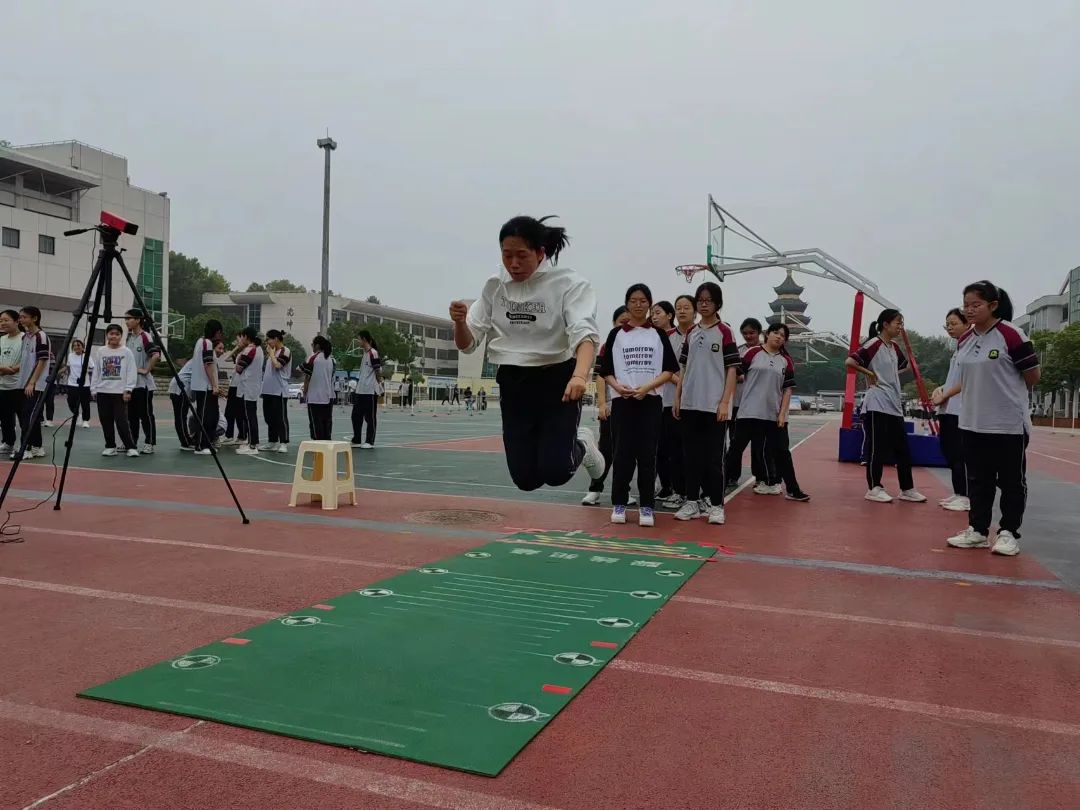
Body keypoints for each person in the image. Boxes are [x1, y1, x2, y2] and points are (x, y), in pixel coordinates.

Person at [450, 214, 604, 491]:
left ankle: (584, 444)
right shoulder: (495, 285)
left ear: (541, 252)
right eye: (507, 255)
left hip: (559, 380)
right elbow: (468, 343)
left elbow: (585, 335)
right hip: (514, 382)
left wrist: (580, 376)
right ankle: (563, 449)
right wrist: (460, 323)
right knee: (526, 479)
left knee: (556, 471)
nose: (514, 264)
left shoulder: (568, 284)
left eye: (522, 255)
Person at [939, 282, 1039, 556]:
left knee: (1011, 481)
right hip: (972, 422)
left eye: (976, 305)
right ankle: (978, 531)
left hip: (1007, 424)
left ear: (993, 306)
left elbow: (1033, 376)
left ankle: (1008, 533)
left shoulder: (1011, 335)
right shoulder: (964, 339)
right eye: (966, 305)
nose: (969, 311)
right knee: (978, 481)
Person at [599, 284, 678, 526]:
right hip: (623, 402)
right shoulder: (616, 335)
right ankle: (619, 503)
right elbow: (605, 371)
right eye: (633, 300)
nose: (638, 304)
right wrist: (617, 387)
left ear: (649, 304)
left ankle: (646, 506)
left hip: (650, 401)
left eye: (643, 301)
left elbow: (669, 369)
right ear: (627, 303)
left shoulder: (658, 335)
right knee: (622, 453)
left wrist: (646, 388)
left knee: (647, 455)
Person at [673, 282, 741, 524]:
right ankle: (692, 502)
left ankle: (716, 505)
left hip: (714, 406)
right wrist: (679, 397)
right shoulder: (691, 333)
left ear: (717, 303)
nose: (703, 303)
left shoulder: (725, 332)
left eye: (708, 300)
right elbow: (683, 368)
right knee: (690, 456)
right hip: (690, 404)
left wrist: (725, 402)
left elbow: (732, 370)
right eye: (700, 299)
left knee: (713, 459)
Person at [846, 309, 927, 503]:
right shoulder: (874, 344)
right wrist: (870, 374)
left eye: (901, 323)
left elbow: (899, 369)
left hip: (893, 404)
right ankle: (874, 488)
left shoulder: (894, 348)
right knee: (877, 448)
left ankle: (907, 488)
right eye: (897, 323)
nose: (900, 327)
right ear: (885, 324)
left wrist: (912, 363)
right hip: (877, 402)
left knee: (902, 448)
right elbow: (849, 361)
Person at [737, 323, 810, 501]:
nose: (779, 337)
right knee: (735, 450)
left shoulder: (786, 361)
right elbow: (736, 374)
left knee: (782, 452)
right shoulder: (752, 353)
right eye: (775, 333)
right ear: (767, 334)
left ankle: (793, 489)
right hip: (749, 412)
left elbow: (787, 390)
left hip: (773, 414)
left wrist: (783, 413)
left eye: (783, 335)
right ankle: (715, 491)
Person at [581, 306, 631, 505]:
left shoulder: (643, 343)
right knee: (606, 451)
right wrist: (602, 404)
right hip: (612, 407)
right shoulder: (607, 346)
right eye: (621, 322)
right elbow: (600, 376)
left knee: (627, 453)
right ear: (613, 324)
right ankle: (595, 489)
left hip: (634, 409)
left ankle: (623, 492)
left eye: (629, 322)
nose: (625, 326)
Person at [930, 308, 970, 512]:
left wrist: (945, 394)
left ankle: (965, 495)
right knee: (949, 451)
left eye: (954, 323)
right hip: (948, 408)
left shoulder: (971, 348)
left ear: (967, 324)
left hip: (960, 410)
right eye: (948, 324)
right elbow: (954, 379)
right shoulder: (958, 349)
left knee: (959, 454)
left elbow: (967, 380)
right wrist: (941, 389)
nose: (950, 328)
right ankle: (958, 492)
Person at [724, 318, 763, 488]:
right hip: (736, 403)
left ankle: (761, 476)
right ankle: (732, 475)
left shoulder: (765, 351)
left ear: (759, 333)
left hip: (757, 405)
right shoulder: (737, 351)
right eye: (745, 333)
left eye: (752, 333)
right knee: (735, 442)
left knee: (758, 444)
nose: (748, 336)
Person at [93, 324, 140, 458]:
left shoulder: (126, 352)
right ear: (107, 335)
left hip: (119, 392)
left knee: (121, 421)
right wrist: (94, 388)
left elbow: (131, 371)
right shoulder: (101, 351)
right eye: (111, 333)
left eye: (117, 334)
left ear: (121, 336)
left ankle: (130, 446)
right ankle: (110, 446)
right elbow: (97, 370)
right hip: (103, 391)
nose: (114, 336)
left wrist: (128, 389)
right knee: (105, 420)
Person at [14, 306, 50, 459]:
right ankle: (37, 447)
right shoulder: (25, 337)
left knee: (27, 417)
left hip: (35, 385)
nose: (21, 320)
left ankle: (25, 449)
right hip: (23, 383)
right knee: (30, 416)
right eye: (20, 317)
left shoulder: (41, 336)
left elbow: (42, 361)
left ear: (34, 318)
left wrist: (32, 382)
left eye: (24, 317)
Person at [650, 300, 677, 502]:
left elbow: (673, 368)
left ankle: (679, 488)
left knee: (675, 449)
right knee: (658, 449)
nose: (654, 316)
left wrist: (679, 384)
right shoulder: (651, 338)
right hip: (656, 400)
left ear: (669, 315)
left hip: (676, 401)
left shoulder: (681, 337)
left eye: (658, 312)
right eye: (652, 313)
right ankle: (666, 486)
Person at [123, 309, 159, 454]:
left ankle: (149, 442)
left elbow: (155, 355)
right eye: (125, 319)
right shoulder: (128, 338)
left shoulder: (146, 337)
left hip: (143, 385)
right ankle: (132, 443)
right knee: (131, 416)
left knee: (145, 415)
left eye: (129, 318)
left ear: (138, 320)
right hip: (131, 385)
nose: (126, 321)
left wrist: (145, 370)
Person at [188, 319, 224, 456]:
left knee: (212, 416)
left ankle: (206, 442)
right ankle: (200, 445)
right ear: (216, 332)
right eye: (220, 332)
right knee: (205, 416)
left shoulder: (201, 342)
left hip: (206, 386)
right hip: (204, 386)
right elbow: (208, 365)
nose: (220, 335)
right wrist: (214, 385)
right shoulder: (206, 343)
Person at [260, 330, 292, 453]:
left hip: (279, 391)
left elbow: (278, 365)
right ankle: (272, 441)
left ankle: (283, 442)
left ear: (276, 339)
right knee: (269, 417)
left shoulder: (285, 351)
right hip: (268, 390)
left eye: (269, 339)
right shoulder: (272, 353)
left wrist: (272, 354)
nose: (267, 342)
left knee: (280, 418)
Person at [233, 326, 264, 455]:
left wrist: (239, 352)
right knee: (251, 415)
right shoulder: (259, 349)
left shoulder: (249, 350)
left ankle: (252, 445)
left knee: (249, 416)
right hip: (253, 386)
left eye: (242, 337)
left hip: (248, 387)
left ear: (246, 337)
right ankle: (253, 442)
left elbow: (239, 368)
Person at [350, 330, 381, 448]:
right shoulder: (364, 354)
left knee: (370, 417)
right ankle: (357, 439)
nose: (358, 341)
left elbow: (377, 370)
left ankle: (369, 441)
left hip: (370, 391)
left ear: (364, 339)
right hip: (360, 390)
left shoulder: (373, 353)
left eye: (359, 339)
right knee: (355, 416)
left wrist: (379, 384)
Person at [303, 335, 336, 440]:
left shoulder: (313, 358)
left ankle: (317, 441)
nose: (312, 346)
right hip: (328, 395)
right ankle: (327, 440)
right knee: (327, 420)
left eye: (312, 344)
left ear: (317, 345)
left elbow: (307, 376)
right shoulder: (331, 360)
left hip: (315, 396)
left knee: (315, 421)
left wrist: (305, 391)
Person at [0, 309, 24, 454]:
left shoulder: (25, 338)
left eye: (6, 320)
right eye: (1, 320)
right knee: (5, 418)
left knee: (23, 418)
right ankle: (8, 443)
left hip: (19, 386)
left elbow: (30, 361)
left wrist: (14, 369)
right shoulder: (1, 340)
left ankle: (26, 445)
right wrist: (3, 368)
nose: (3, 323)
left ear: (16, 321)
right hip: (2, 385)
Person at [59, 338, 94, 428]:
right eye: (74, 346)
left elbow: (92, 368)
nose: (76, 347)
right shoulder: (70, 355)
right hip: (72, 383)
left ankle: (86, 420)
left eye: (78, 345)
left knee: (85, 402)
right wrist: (59, 372)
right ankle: (77, 415)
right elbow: (68, 367)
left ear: (83, 347)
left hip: (84, 384)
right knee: (71, 401)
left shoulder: (87, 356)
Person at [168, 357, 194, 449]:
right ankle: (185, 442)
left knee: (181, 416)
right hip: (180, 388)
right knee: (181, 417)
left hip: (179, 387)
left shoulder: (196, 359)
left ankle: (186, 440)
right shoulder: (200, 360)